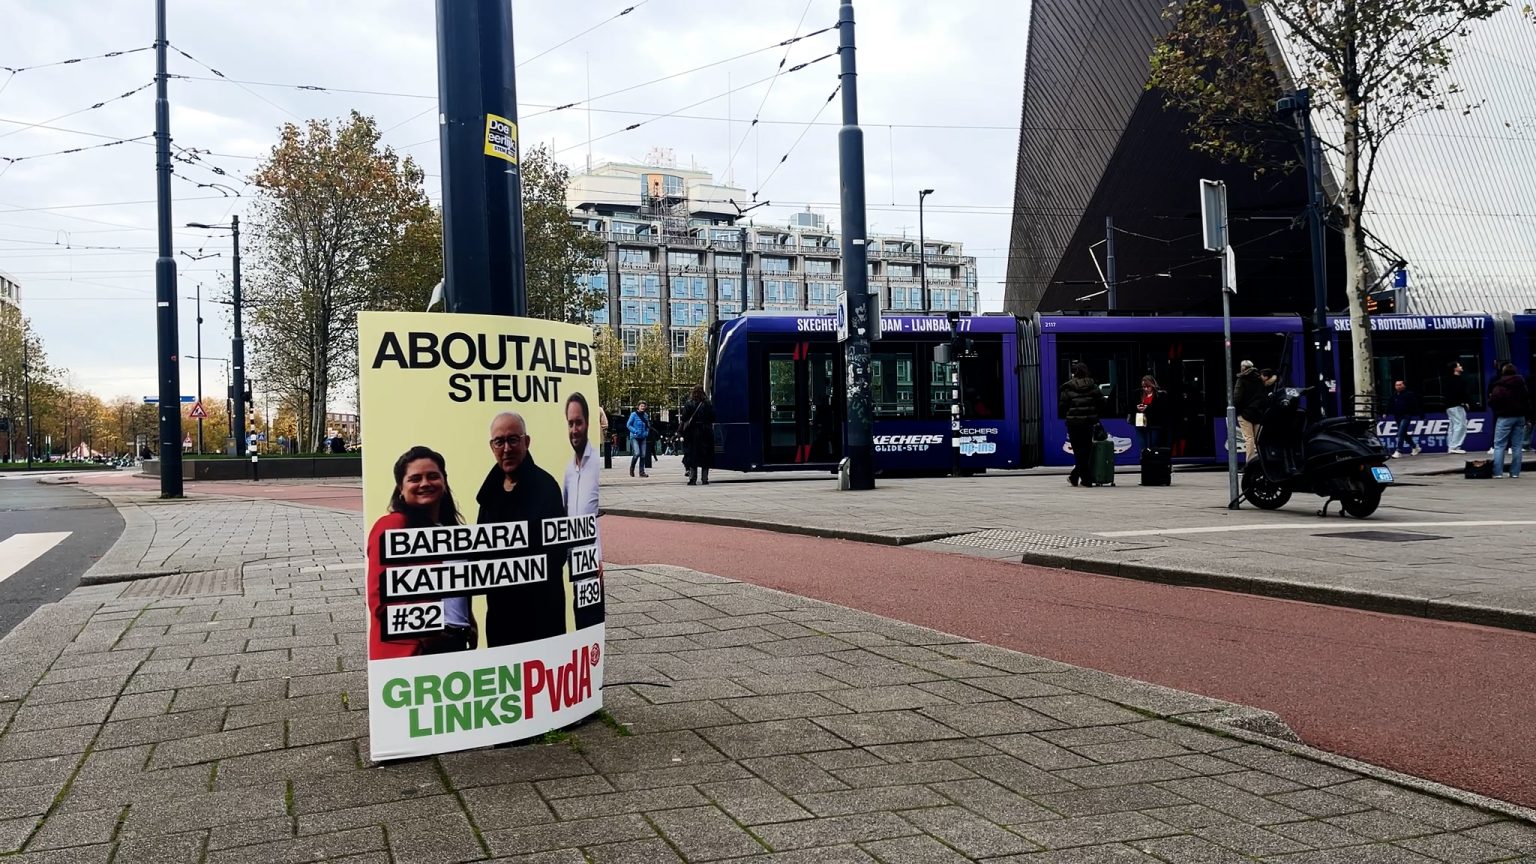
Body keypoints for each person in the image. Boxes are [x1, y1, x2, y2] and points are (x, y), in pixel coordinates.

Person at [366, 446, 475, 660]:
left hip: (455, 642)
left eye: (433, 476)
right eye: (415, 478)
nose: (425, 483)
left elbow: (459, 584)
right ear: (401, 488)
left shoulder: (450, 530)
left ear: (444, 482)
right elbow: (380, 598)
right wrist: (428, 635)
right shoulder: (393, 525)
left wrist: (469, 621)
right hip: (414, 650)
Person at [476, 412, 568, 647]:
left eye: (513, 440)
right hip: (500, 613)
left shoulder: (546, 487)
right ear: (491, 446)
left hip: (540, 611)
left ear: (526, 442)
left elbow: (557, 552)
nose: (506, 448)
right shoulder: (488, 493)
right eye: (499, 441)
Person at [563, 393, 604, 630]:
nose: (574, 429)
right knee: (578, 616)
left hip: (591, 559)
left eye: (578, 422)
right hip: (572, 559)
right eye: (570, 423)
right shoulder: (568, 471)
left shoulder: (596, 464)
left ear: (588, 422)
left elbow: (598, 515)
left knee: (592, 618)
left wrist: (600, 556)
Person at [1059, 361, 1105, 487]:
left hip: (1073, 423)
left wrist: (1070, 413)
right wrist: (1093, 413)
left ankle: (1083, 479)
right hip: (1088, 422)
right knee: (1086, 450)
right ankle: (1080, 478)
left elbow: (1062, 406)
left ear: (1074, 373)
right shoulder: (1093, 386)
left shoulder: (1067, 387)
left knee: (1079, 451)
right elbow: (1102, 402)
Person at [1488, 362, 1529, 479]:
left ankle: (1498, 473)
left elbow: (1492, 402)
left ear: (1503, 372)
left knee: (1499, 445)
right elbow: (1527, 402)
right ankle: (1515, 473)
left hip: (1504, 417)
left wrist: (1498, 409)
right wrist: (1528, 417)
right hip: (1520, 417)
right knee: (1517, 446)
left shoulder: (1499, 386)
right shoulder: (1522, 385)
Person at [680, 385, 716, 486]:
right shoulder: (707, 403)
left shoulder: (689, 403)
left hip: (692, 433)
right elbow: (713, 417)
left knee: (693, 455)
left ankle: (692, 479)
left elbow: (684, 418)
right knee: (706, 455)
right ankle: (705, 479)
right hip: (706, 432)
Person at [1233, 360, 1265, 460]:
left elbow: (1237, 398)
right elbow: (1263, 396)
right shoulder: (1259, 379)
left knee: (1249, 438)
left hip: (1245, 414)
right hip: (1258, 413)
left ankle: (1250, 462)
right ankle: (1263, 462)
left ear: (1243, 368)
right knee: (1259, 440)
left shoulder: (1241, 380)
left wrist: (1237, 412)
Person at [1384, 380, 1423, 458]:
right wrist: (1386, 413)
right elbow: (1390, 404)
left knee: (1400, 432)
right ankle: (1415, 447)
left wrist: (1420, 414)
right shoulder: (1394, 395)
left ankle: (1399, 451)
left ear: (1404, 386)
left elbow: (1415, 405)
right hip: (1397, 416)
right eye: (1396, 385)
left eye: (1400, 385)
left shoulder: (1409, 394)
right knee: (1404, 433)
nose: (1398, 386)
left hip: (1406, 416)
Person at [1133, 374, 1171, 451]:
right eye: (1144, 387)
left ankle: (1151, 460)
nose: (1146, 389)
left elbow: (1162, 409)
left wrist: (1147, 408)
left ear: (1153, 385)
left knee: (1152, 446)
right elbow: (1131, 406)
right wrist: (1137, 408)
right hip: (1140, 422)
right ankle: (1144, 459)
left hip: (1154, 423)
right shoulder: (1138, 394)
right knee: (1143, 446)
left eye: (1148, 386)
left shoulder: (1160, 395)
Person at [1444, 361, 1470, 454]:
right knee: (1461, 425)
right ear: (1455, 368)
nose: (1461, 366)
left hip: (1449, 406)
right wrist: (1464, 402)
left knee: (1453, 426)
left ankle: (1451, 446)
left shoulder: (1448, 379)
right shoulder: (1458, 380)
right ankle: (1454, 447)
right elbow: (1460, 393)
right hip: (1456, 406)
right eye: (1459, 365)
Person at [626, 401, 651, 478]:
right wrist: (635, 431)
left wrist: (646, 433)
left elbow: (648, 425)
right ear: (638, 407)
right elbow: (628, 425)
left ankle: (641, 472)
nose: (643, 407)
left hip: (643, 437)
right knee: (637, 453)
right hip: (634, 437)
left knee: (643, 455)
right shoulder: (633, 415)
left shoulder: (646, 415)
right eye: (641, 406)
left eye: (644, 406)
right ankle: (632, 468)